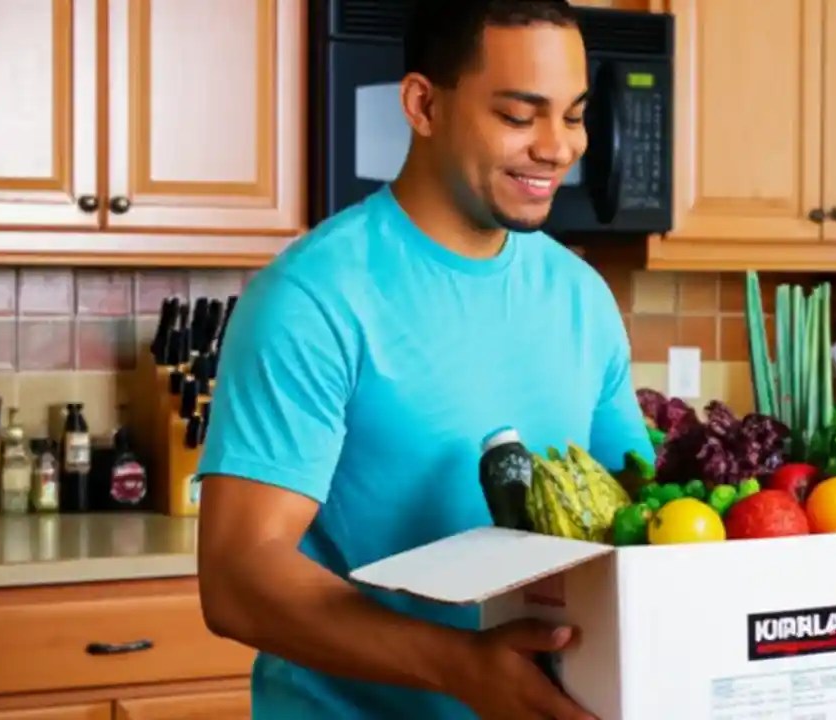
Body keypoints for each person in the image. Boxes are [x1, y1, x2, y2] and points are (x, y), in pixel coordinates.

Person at [194, 0, 652, 718]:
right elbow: (238, 576)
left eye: (573, 114)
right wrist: (462, 669)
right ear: (423, 105)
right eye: (518, 115)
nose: (558, 148)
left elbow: (645, 521)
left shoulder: (580, 296)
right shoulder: (312, 298)